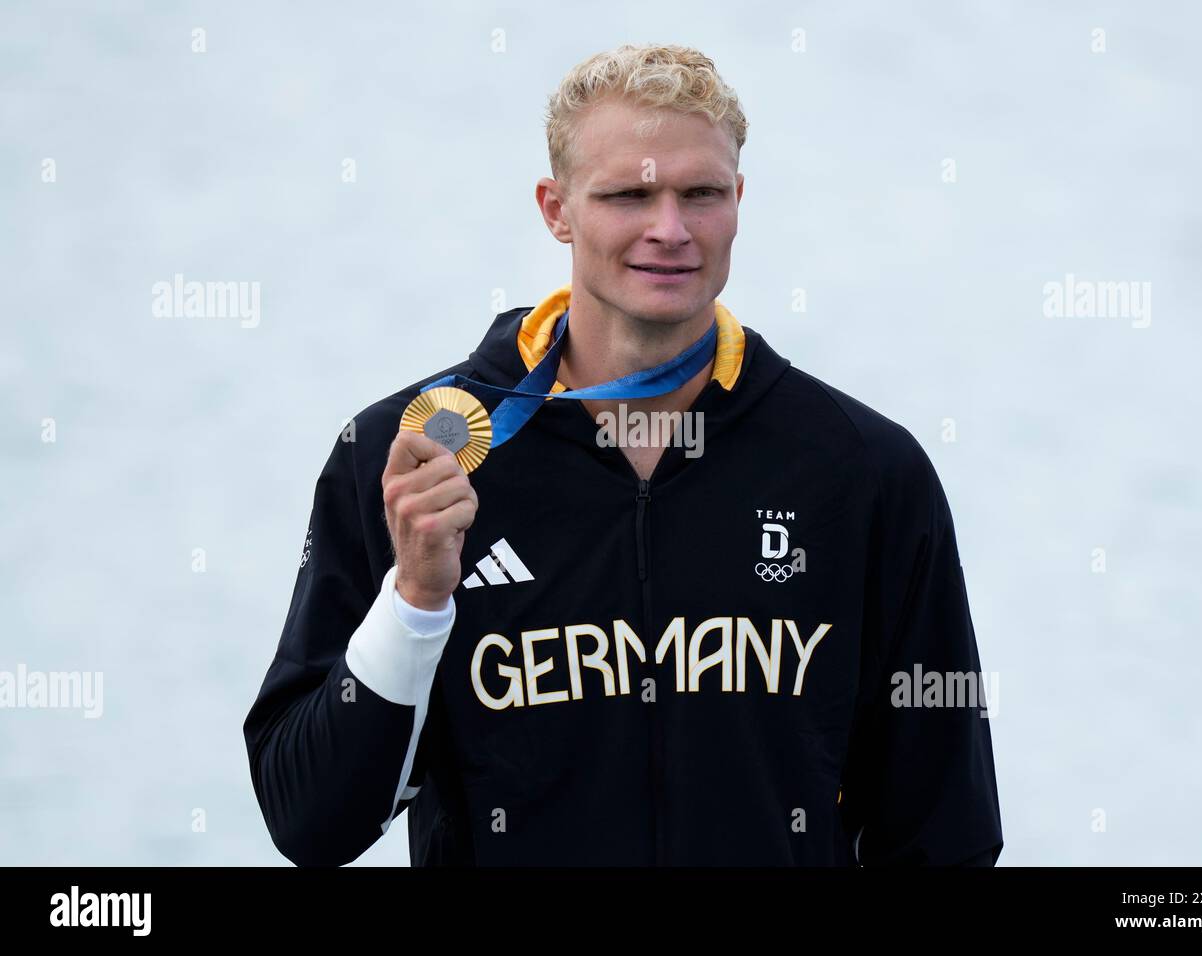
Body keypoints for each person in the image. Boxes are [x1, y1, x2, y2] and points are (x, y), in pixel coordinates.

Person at [243, 43, 1003, 866]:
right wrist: (418, 601)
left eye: (701, 194)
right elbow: (310, 823)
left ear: (739, 199)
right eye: (629, 195)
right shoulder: (414, 457)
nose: (669, 230)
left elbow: (943, 836)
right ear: (556, 208)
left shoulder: (862, 471)